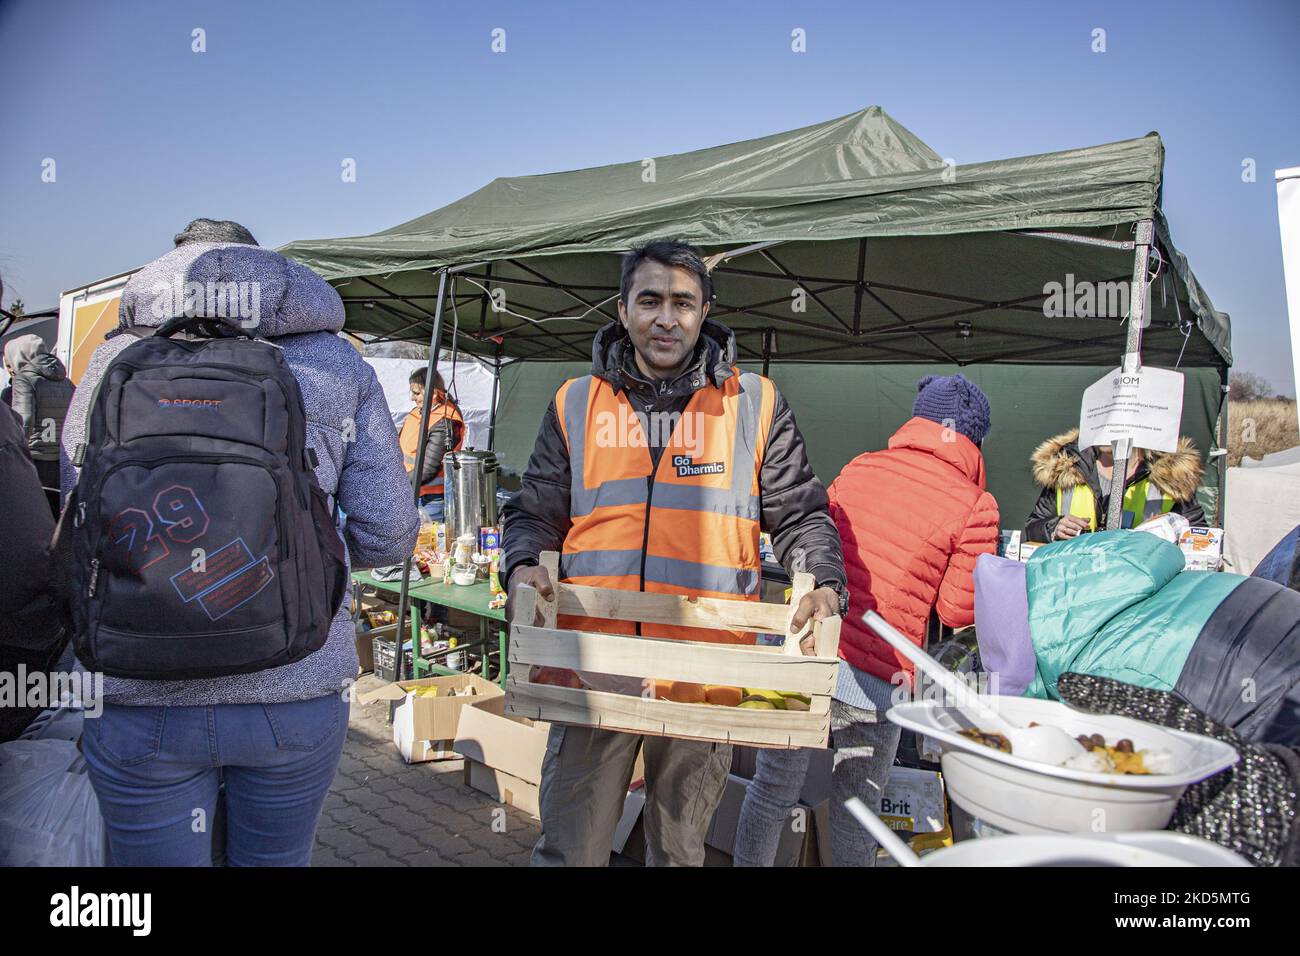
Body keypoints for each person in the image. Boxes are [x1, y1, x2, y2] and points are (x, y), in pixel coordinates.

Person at [61, 219, 419, 866]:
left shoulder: (107, 366)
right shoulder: (335, 363)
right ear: (271, 271)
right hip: (295, 684)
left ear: (164, 271)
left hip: (136, 689)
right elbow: (389, 531)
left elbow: (78, 523)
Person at [501, 240, 846, 867]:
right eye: (650, 300)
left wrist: (822, 578)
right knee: (569, 848)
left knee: (681, 851)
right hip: (592, 666)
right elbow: (534, 512)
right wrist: (523, 565)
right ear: (624, 308)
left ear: (705, 309)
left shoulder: (755, 404)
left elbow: (801, 514)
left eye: (683, 303)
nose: (667, 318)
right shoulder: (575, 403)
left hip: (702, 675)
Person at [734, 374, 999, 867]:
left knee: (771, 791)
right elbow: (958, 610)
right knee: (858, 813)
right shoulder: (976, 505)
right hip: (880, 682)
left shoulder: (861, 466)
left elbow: (814, 546)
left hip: (808, 651)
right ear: (975, 440)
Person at [973, 530, 1300, 747]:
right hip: (1268, 607)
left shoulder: (1095, 670)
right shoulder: (1079, 572)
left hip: (1257, 681)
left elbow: (1161, 756)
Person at [0, 273, 69, 741]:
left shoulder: (19, 389)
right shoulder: (70, 383)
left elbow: (20, 434)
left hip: (29, 479)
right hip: (55, 484)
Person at [1024, 428, 1206, 542]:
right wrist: (1054, 528)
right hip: (1077, 585)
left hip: (1146, 590)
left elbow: (1199, 538)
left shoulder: (1170, 475)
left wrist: (1168, 531)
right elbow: (1033, 527)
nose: (1108, 429)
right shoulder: (1067, 467)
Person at [4, 333, 73, 516]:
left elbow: (22, 422)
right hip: (61, 461)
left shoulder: (24, 380)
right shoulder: (67, 383)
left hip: (34, 459)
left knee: (27, 514)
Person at [399, 367, 464, 523]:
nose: (412, 398)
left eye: (416, 393)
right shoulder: (417, 413)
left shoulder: (445, 420)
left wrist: (395, 483)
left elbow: (428, 468)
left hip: (432, 500)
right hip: (411, 492)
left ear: (433, 393)